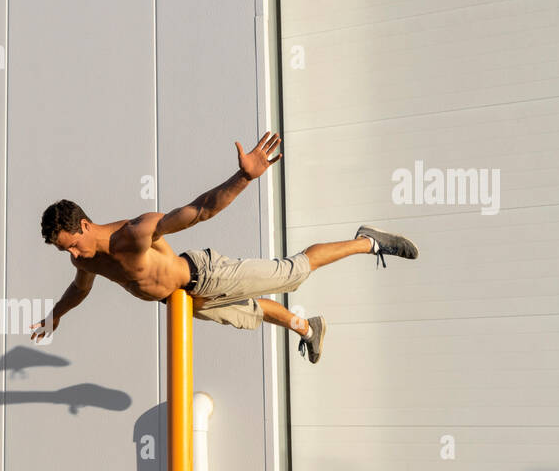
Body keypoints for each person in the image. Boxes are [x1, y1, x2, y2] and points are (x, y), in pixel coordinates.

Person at [33, 132, 418, 363]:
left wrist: (243, 177)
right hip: (186, 300)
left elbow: (198, 211)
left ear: (84, 225)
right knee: (252, 312)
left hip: (205, 274)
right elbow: (79, 288)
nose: (73, 256)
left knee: (293, 273)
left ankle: (367, 241)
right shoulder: (88, 261)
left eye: (72, 245)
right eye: (65, 252)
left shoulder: (134, 234)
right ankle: (307, 327)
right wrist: (56, 315)